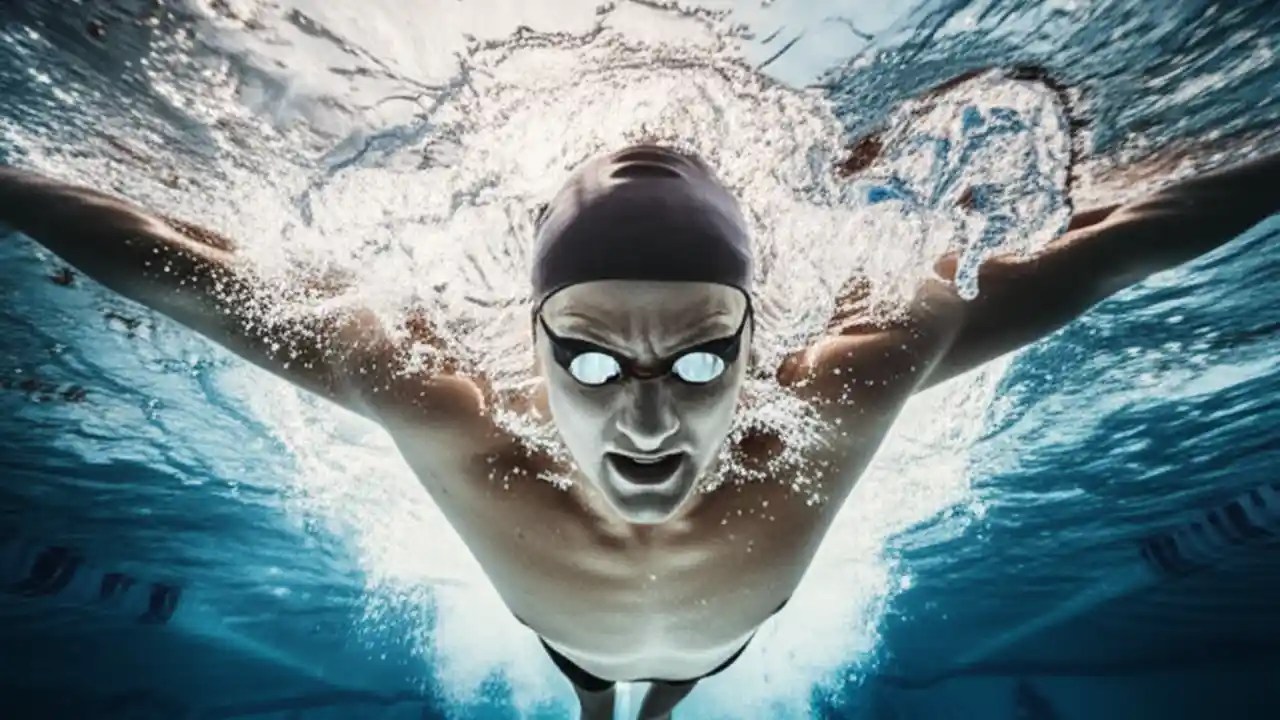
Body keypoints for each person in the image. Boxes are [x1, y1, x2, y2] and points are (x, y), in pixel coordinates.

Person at [1, 75, 1276, 720]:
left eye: (702, 362)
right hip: (572, 635)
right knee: (595, 686)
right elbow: (179, 272)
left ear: (758, 348)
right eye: (593, 365)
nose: (651, 423)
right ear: (530, 346)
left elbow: (1115, 250)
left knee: (666, 688)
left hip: (724, 640)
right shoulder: (441, 417)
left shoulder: (847, 388)